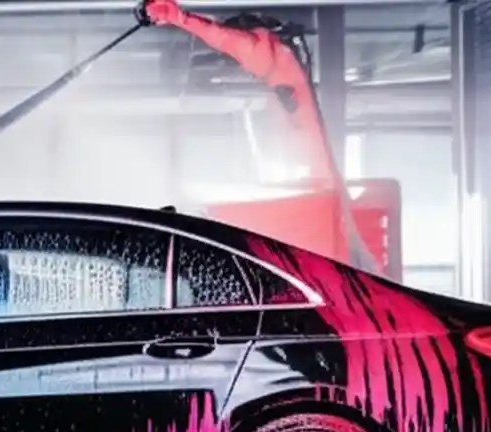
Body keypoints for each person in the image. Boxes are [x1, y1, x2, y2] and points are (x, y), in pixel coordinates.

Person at [139, 0, 379, 272]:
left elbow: (228, 40)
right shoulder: (286, 79)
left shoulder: (273, 55)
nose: (242, 66)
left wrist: (179, 17)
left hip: (312, 226)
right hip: (314, 231)